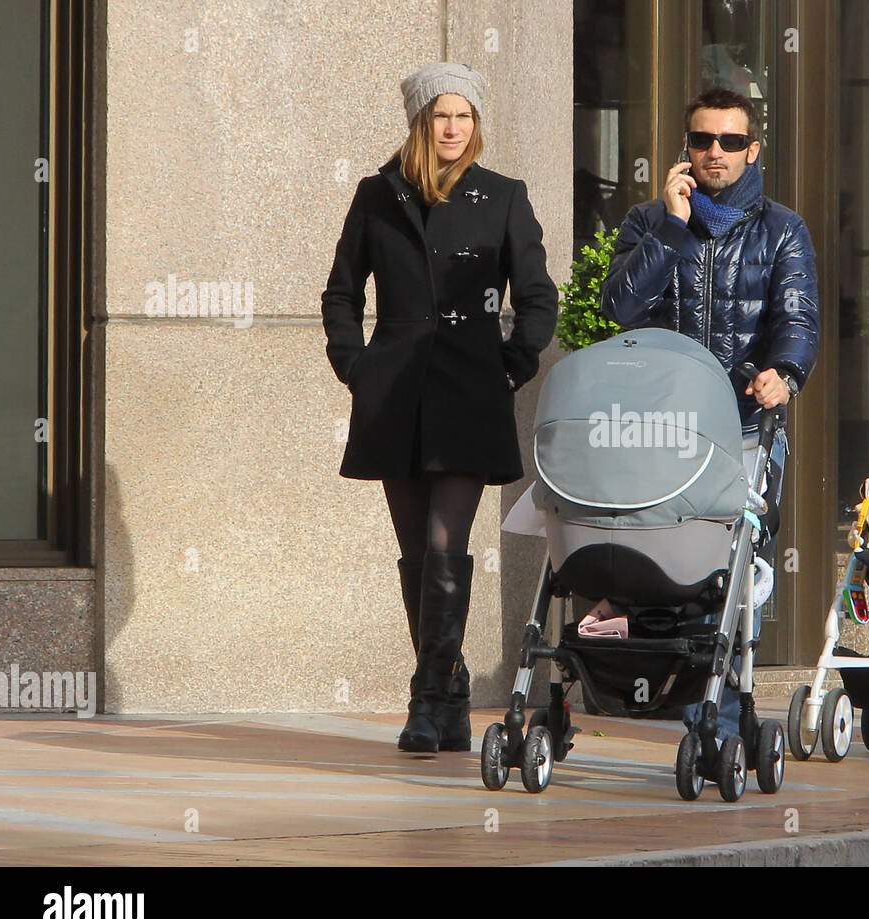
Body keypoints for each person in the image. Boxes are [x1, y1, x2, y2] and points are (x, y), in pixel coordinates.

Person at [321, 63, 557, 754]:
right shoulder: (376, 194)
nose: (454, 128)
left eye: (464, 116)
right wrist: (355, 364)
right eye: (441, 116)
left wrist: (510, 365)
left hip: (468, 396)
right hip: (392, 395)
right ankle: (449, 692)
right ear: (419, 121)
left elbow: (538, 297)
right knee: (414, 554)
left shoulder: (504, 196)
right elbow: (341, 292)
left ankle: (426, 700)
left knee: (443, 543)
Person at [601, 86, 820, 739]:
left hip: (743, 423)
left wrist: (786, 373)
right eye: (702, 141)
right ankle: (667, 689)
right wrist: (671, 228)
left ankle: (724, 708)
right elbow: (618, 309)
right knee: (665, 560)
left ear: (752, 149)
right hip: (661, 429)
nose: (714, 153)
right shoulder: (649, 222)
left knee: (736, 562)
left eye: (729, 142)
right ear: (685, 149)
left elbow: (798, 319)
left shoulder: (782, 229)